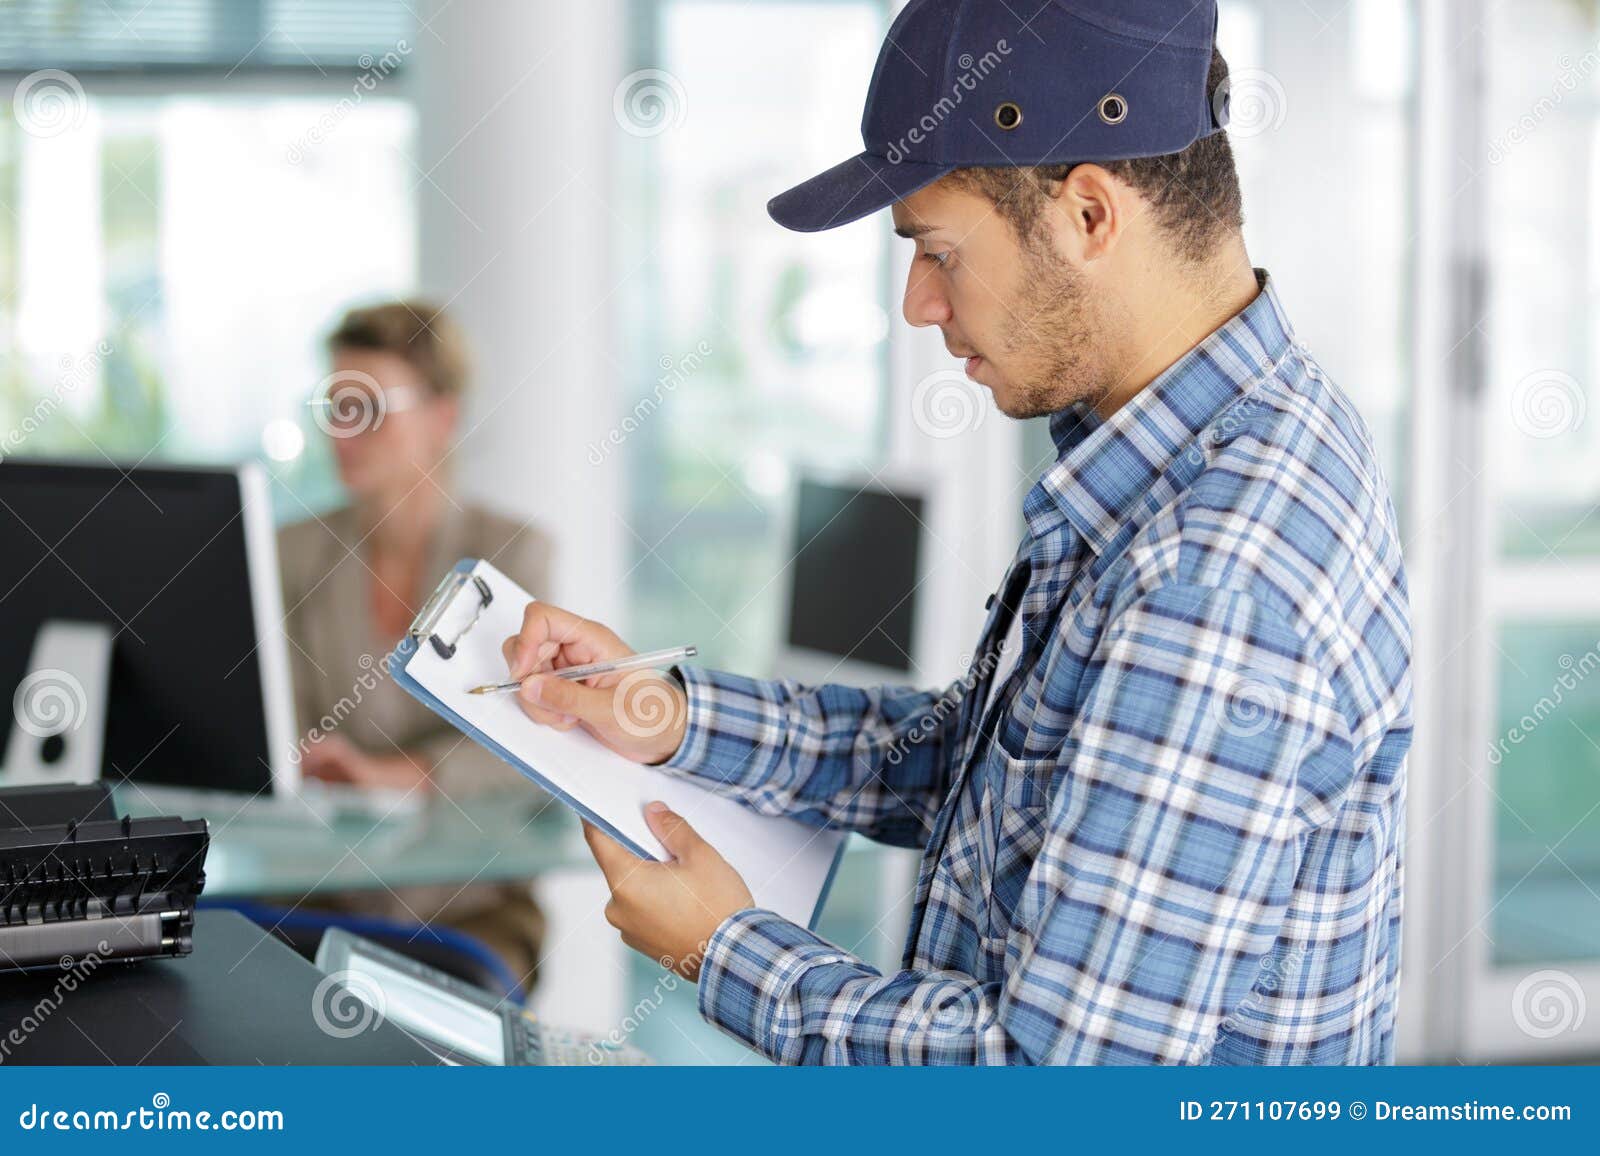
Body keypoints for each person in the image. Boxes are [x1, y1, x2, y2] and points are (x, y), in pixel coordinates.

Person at [506, 0, 1411, 1063]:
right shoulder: (1192, 448)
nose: (917, 305)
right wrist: (666, 714)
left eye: (936, 249)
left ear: (1087, 215)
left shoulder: (1214, 579)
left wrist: (722, 950)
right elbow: (980, 770)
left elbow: (1051, 1082)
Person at [279, 300, 551, 992]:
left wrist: (399, 778)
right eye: (333, 405)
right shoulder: (293, 553)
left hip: (471, 907)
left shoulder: (509, 553)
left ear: (442, 418)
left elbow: (534, 741)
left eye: (368, 406)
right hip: (321, 896)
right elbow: (281, 728)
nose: (343, 431)